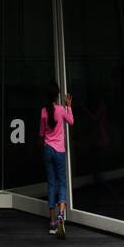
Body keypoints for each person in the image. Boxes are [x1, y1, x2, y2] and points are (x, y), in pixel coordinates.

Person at [39, 81, 73, 238]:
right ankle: (61, 217)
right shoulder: (61, 110)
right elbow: (71, 121)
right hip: (59, 151)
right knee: (62, 183)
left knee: (51, 184)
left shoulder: (43, 112)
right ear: (57, 95)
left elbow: (41, 133)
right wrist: (69, 106)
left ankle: (52, 223)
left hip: (47, 149)